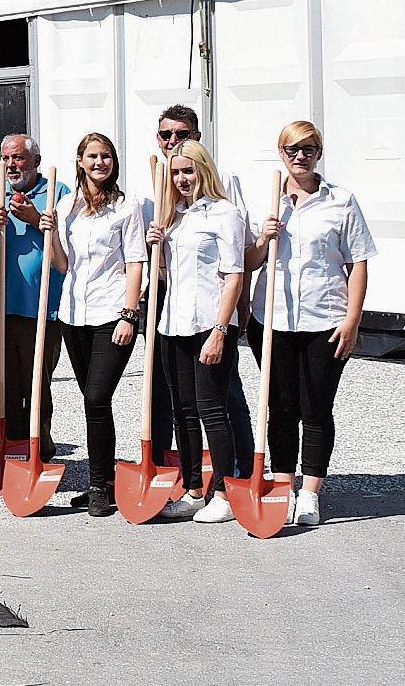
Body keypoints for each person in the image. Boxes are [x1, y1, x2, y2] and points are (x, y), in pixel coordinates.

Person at [245, 121, 374, 527]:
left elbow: (358, 263)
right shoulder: (268, 200)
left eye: (309, 148)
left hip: (326, 320)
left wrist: (353, 320)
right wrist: (263, 240)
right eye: (292, 149)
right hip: (273, 320)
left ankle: (310, 493)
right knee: (281, 407)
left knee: (316, 407)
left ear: (319, 153)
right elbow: (247, 262)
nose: (300, 156)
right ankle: (284, 487)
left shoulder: (341, 201)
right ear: (281, 152)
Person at [42, 132, 145, 518]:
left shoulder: (126, 206)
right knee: (93, 402)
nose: (100, 162)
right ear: (80, 161)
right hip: (74, 315)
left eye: (106, 156)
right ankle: (103, 482)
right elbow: (62, 265)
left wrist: (129, 314)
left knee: (96, 398)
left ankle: (100, 485)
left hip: (112, 314)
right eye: (93, 156)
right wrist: (50, 233)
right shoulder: (67, 206)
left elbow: (135, 260)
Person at [148, 140, 251, 524]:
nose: (181, 178)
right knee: (184, 412)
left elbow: (234, 274)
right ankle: (193, 490)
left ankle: (223, 492)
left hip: (210, 322)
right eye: (175, 172)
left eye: (188, 170)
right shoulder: (173, 217)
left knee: (213, 410)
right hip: (173, 323)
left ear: (203, 170)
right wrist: (156, 247)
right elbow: (168, 275)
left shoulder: (225, 213)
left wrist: (221, 330)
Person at [0, 134, 69, 458]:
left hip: (42, 309)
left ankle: (38, 449)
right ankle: (8, 450)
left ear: (35, 161)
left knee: (37, 385)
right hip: (1, 309)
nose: (11, 165)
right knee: (3, 387)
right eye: (5, 158)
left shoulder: (58, 194)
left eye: (18, 158)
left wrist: (35, 220)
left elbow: (67, 250)